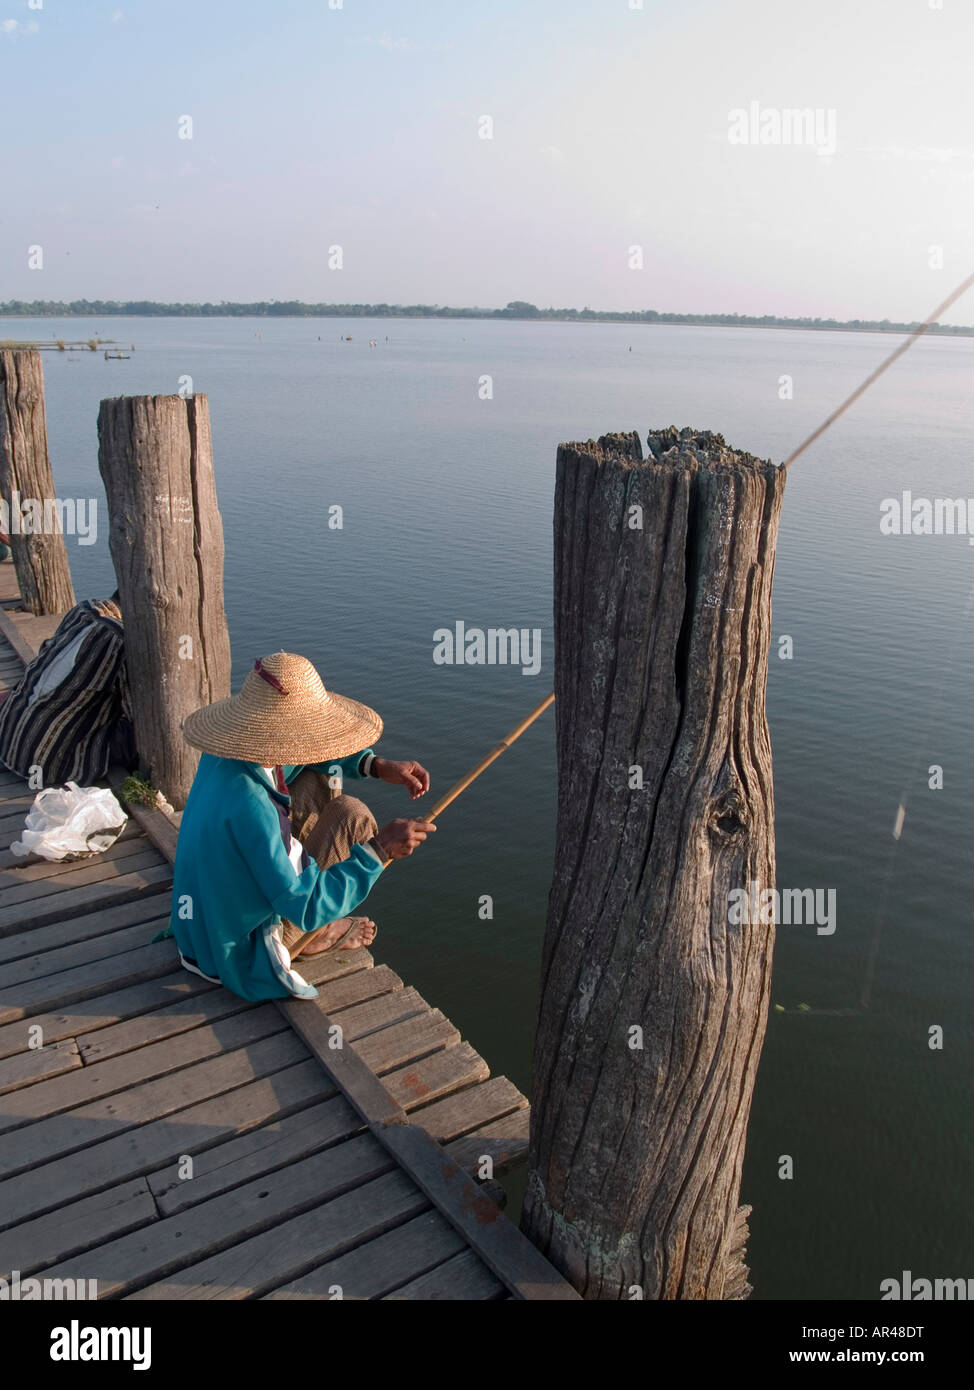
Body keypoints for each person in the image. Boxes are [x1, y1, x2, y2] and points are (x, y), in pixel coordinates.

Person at [170, 650, 435, 1002]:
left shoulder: (228, 752)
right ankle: (317, 935)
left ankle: (302, 896)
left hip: (197, 928)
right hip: (232, 952)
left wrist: (375, 765)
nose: (309, 740)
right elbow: (306, 904)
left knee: (317, 778)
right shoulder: (254, 808)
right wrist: (379, 851)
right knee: (352, 817)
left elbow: (312, 754)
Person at [0, 590, 137, 785]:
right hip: (42, 762)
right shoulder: (120, 639)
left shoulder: (84, 609)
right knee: (143, 733)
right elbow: (136, 712)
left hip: (10, 740)